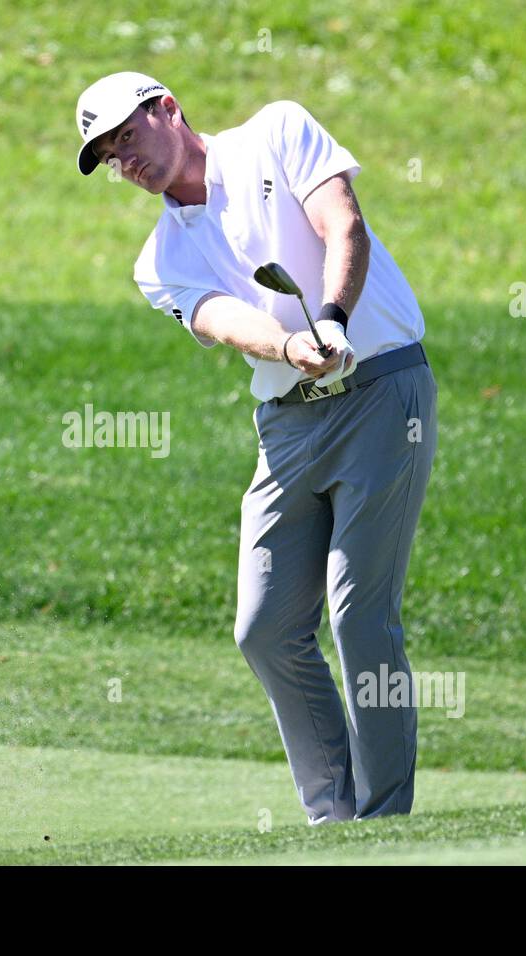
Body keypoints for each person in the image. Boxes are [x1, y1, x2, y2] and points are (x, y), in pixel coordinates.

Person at [74, 71, 438, 824]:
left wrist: (331, 318)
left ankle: (384, 822)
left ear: (168, 109)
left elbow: (343, 224)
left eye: (129, 137)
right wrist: (289, 343)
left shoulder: (277, 130)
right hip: (288, 424)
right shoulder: (157, 260)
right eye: (110, 156)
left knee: (358, 616)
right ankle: (333, 821)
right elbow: (220, 320)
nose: (125, 161)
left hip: (381, 392)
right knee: (264, 627)